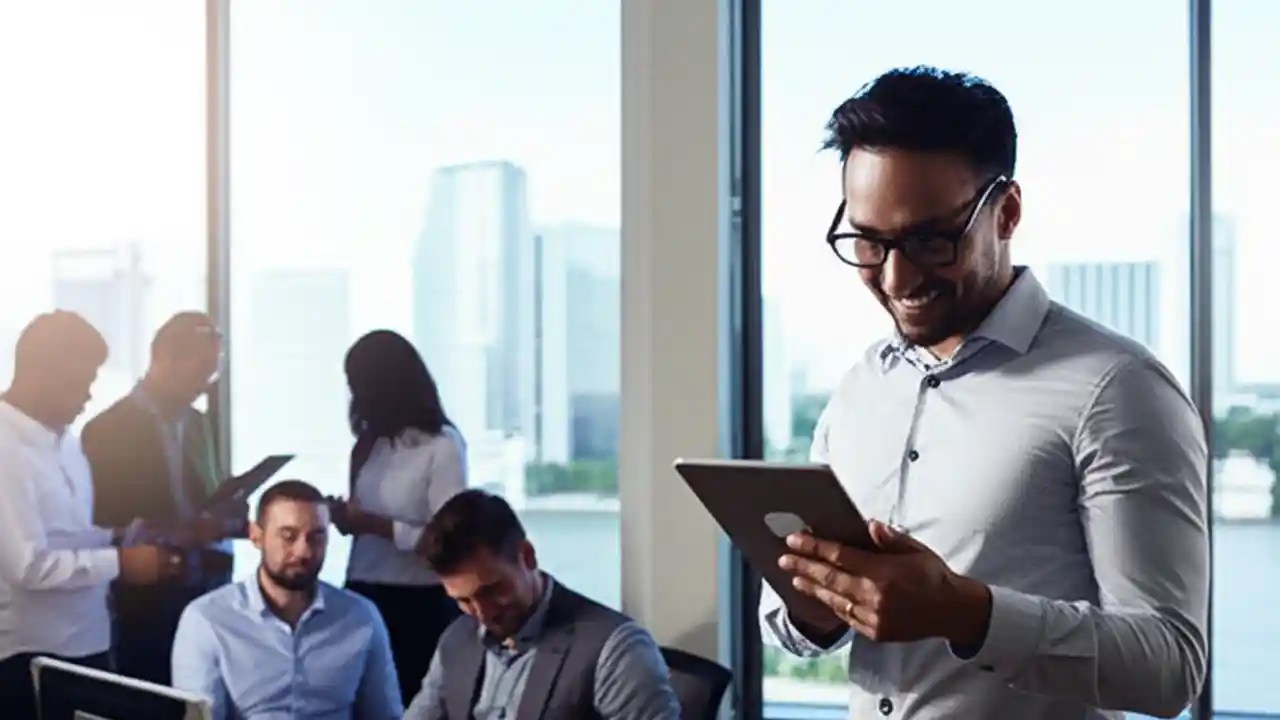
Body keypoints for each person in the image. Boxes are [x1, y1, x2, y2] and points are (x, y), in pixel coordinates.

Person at [759, 66, 1208, 719]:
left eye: (930, 240)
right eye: (868, 241)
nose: (896, 276)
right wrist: (822, 598)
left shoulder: (1117, 390)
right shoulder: (860, 390)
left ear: (1008, 212)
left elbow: (1169, 667)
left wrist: (965, 612)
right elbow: (787, 624)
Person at [0, 311, 181, 718]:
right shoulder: (4, 447)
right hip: (28, 655)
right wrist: (122, 563)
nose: (88, 395)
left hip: (88, 641)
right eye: (82, 381)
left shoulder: (66, 442)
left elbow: (67, 535)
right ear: (43, 374)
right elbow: (29, 567)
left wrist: (118, 538)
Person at [404, 489, 681, 720]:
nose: (483, 613)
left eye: (493, 590)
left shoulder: (615, 648)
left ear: (527, 556)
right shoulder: (457, 640)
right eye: (464, 601)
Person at [81, 311, 245, 685]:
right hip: (143, 601)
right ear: (164, 360)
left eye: (213, 372)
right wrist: (180, 531)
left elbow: (203, 495)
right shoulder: (106, 431)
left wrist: (226, 510)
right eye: (201, 369)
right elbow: (97, 526)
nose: (206, 384)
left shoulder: (200, 425)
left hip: (204, 587)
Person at [171, 479, 400, 720]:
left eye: (317, 537)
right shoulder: (207, 620)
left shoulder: (361, 617)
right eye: (288, 536)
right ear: (256, 536)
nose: (304, 551)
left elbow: (385, 716)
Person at [329, 329, 467, 705]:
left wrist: (374, 524)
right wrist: (342, 516)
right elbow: (358, 523)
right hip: (361, 588)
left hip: (417, 600)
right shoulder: (367, 445)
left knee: (412, 701)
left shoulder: (441, 446)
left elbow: (450, 541)